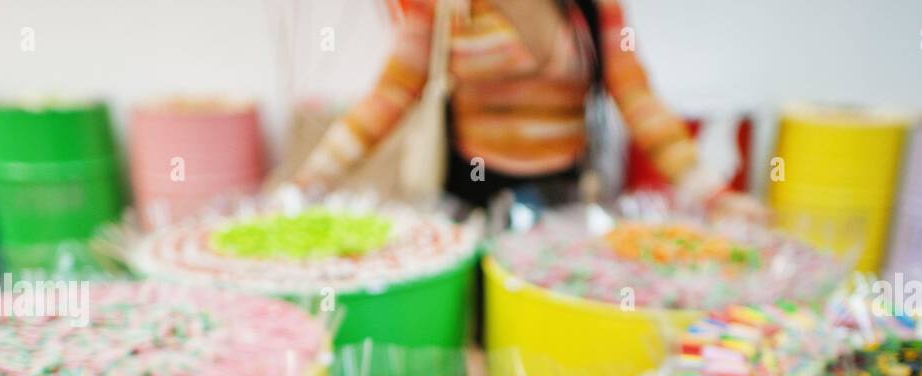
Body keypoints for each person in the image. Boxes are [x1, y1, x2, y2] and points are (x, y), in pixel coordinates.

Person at [293, 0, 753, 216]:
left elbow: (637, 98)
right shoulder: (445, 7)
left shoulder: (593, 7)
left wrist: (707, 189)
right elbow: (389, 96)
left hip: (566, 204)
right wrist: (311, 178)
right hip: (470, 199)